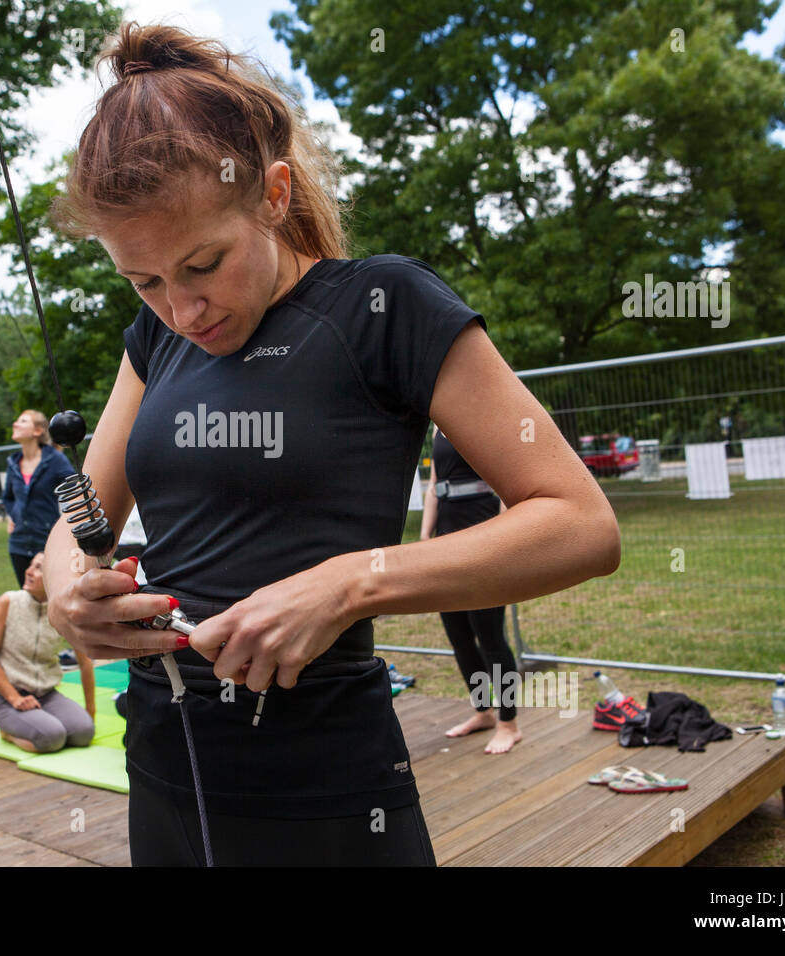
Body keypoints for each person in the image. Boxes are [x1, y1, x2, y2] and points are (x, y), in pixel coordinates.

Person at [41, 22, 619, 866]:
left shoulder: (384, 307)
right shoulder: (154, 338)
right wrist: (68, 593)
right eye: (145, 280)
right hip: (165, 758)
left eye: (204, 263)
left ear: (273, 193)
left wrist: (350, 584)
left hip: (327, 783)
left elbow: (581, 524)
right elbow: (80, 511)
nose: (182, 309)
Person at [420, 425, 522, 754]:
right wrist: (425, 541)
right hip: (446, 542)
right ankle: (484, 713)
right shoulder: (438, 425)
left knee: (491, 639)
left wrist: (503, 540)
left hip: (484, 540)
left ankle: (509, 724)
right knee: (460, 639)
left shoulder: (483, 415)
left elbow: (510, 484)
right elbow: (435, 487)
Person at [0, 552, 96, 752]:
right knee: (51, 738)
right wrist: (15, 698)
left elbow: (85, 663)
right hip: (9, 700)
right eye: (31, 565)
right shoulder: (8, 602)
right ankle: (7, 732)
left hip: (48, 696)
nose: (28, 571)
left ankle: (42, 721)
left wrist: (90, 711)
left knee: (84, 733)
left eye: (38, 568)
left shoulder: (64, 611)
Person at [2, 409, 74, 588]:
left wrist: (67, 524)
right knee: (27, 594)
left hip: (46, 542)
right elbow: (8, 498)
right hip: (18, 544)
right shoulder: (13, 463)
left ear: (38, 431)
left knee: (51, 594)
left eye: (23, 421)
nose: (15, 424)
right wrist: (15, 516)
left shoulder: (55, 460)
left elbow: (75, 489)